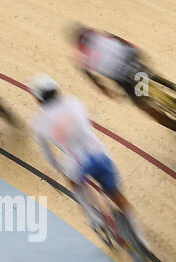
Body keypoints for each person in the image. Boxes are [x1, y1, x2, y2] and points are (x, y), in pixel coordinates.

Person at [29, 73, 148, 247]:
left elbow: (51, 158)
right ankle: (142, 239)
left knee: (72, 178)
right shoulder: (74, 102)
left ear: (38, 99)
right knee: (117, 196)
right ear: (57, 90)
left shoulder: (38, 123)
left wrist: (60, 169)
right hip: (101, 155)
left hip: (78, 165)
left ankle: (92, 216)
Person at [71, 25, 176, 135]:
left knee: (146, 107)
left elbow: (98, 84)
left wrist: (110, 93)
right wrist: (142, 59)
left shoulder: (85, 60)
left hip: (125, 80)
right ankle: (172, 86)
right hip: (133, 61)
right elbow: (128, 45)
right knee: (146, 73)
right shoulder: (104, 36)